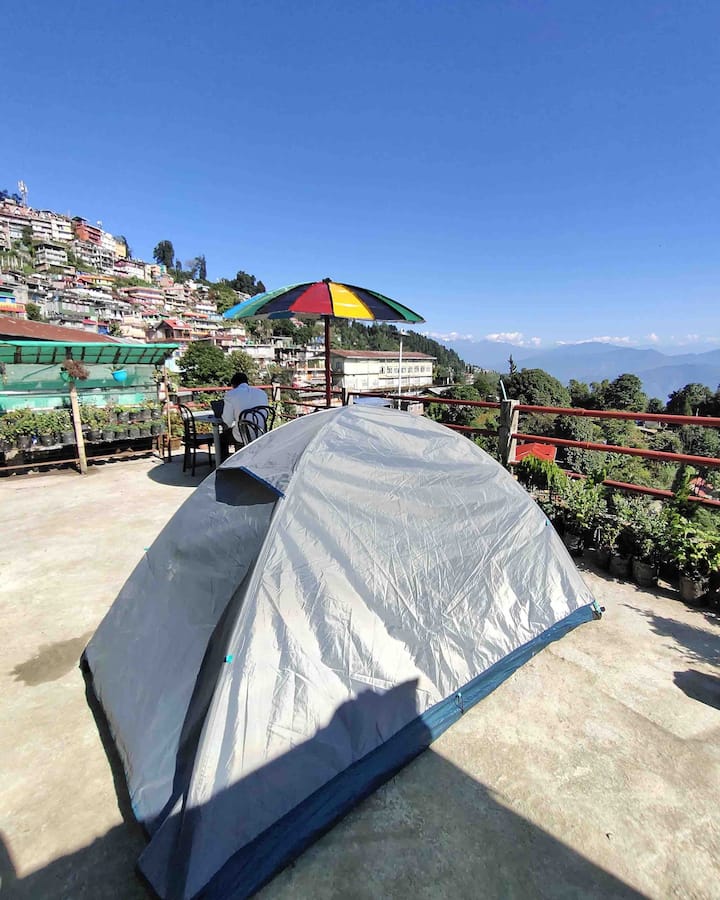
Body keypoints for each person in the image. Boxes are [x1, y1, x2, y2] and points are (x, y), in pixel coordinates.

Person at [220, 372, 268, 455]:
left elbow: (227, 421)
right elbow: (266, 414)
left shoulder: (231, 394)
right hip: (261, 433)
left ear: (233, 384)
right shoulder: (261, 393)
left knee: (222, 438)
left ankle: (225, 464)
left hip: (243, 435)